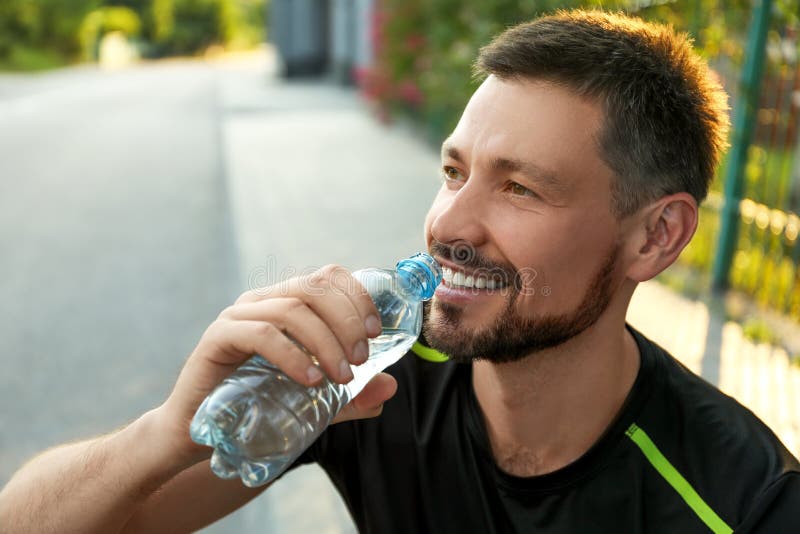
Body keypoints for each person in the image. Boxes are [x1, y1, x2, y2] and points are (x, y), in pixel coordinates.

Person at [1, 9, 798, 533]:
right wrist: (164, 435)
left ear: (656, 237)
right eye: (454, 172)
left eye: (519, 187)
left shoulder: (747, 503)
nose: (449, 224)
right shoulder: (370, 375)